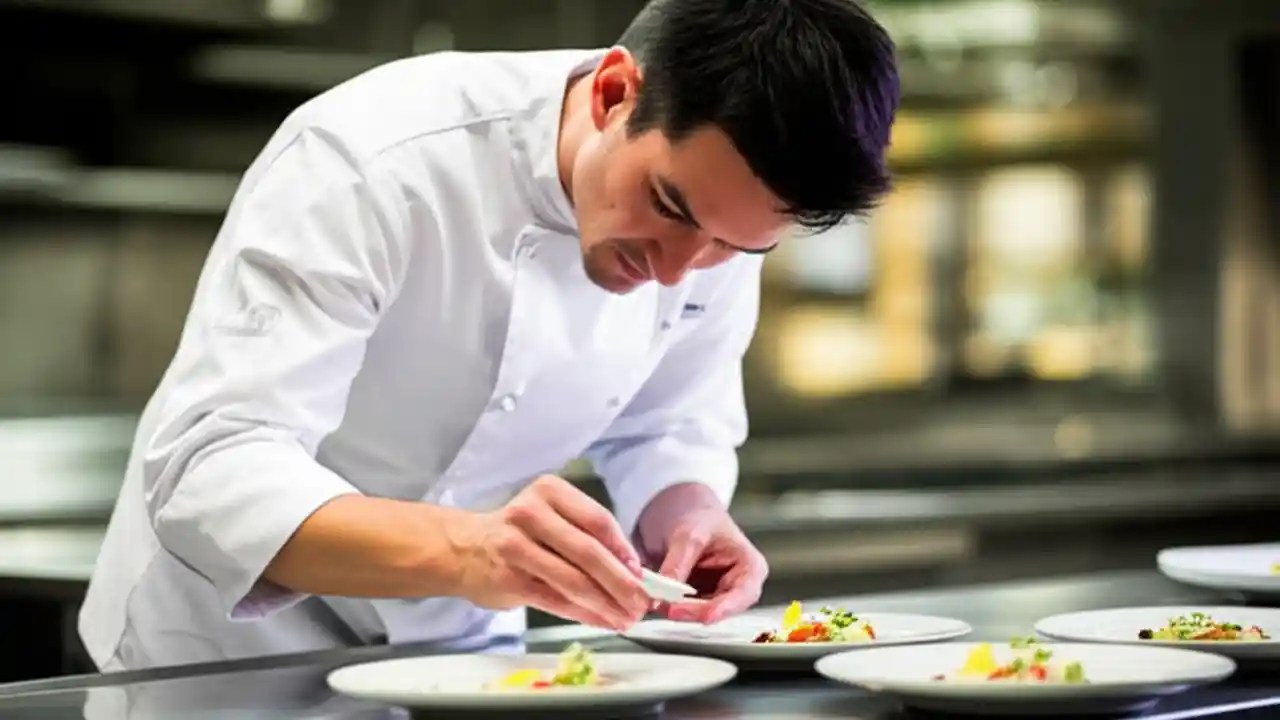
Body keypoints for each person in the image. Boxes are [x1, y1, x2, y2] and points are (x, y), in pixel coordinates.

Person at [79, 0, 899, 670]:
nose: (682, 270)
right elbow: (210, 471)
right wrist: (473, 554)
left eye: (735, 247)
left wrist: (682, 510)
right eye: (671, 208)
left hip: (463, 654)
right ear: (616, 93)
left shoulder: (717, 213)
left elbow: (671, 421)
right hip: (225, 659)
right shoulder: (370, 158)